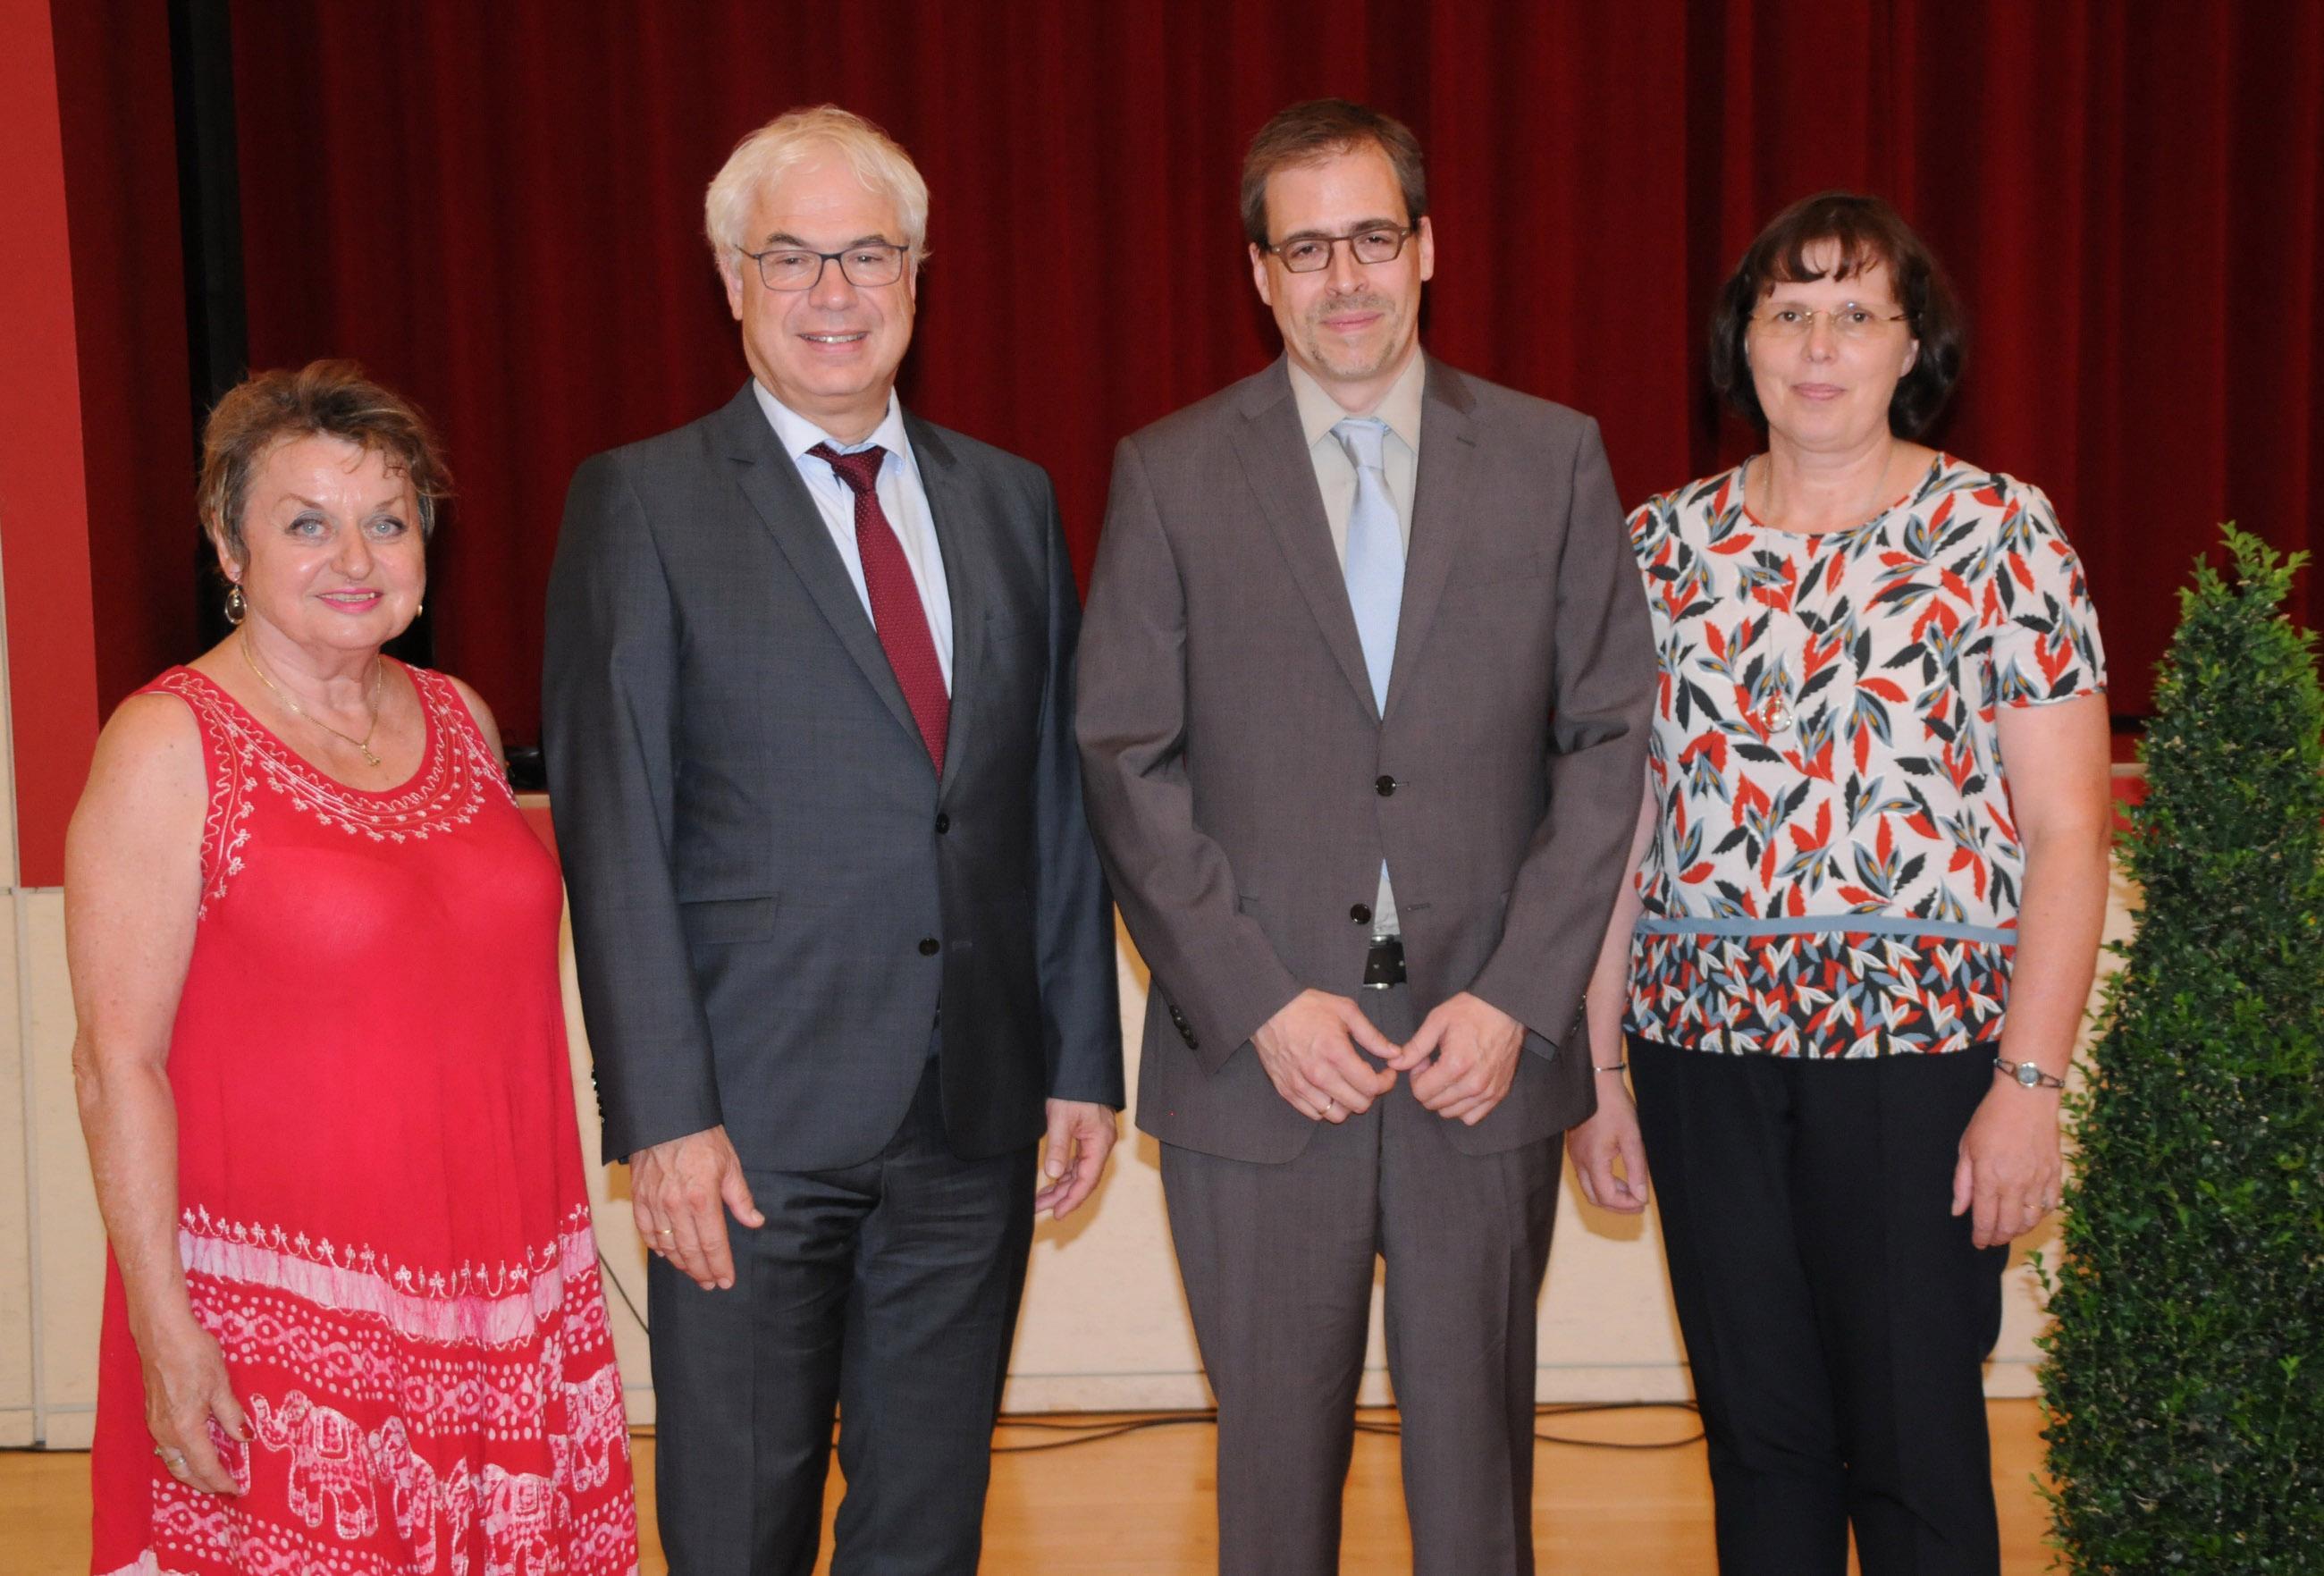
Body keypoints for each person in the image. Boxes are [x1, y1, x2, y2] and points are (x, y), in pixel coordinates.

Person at [1076, 98, 1656, 1576]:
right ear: (1259, 273)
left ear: (1430, 249)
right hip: (1263, 1073)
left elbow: (1606, 748)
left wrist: (1523, 1001)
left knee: (1479, 1505)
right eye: (1308, 245)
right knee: (1273, 1501)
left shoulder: (1554, 457)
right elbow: (1125, 756)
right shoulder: (1170, 471)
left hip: (1481, 1059)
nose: (1346, 277)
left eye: (1375, 238)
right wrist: (1260, 1000)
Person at [543, 104, 1122, 1575]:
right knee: (740, 1527)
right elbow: (613, 831)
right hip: (746, 1131)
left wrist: (1076, 1059)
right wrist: (661, 1115)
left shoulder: (1011, 500)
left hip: (972, 1113)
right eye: (791, 257)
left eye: (867, 254)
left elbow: (1048, 806)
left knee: (925, 1532)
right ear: (730, 279)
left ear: (918, 275)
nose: (833, 293)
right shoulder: (645, 504)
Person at [1566, 192, 2113, 1576]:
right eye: (1787, 310)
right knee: (1760, 1450)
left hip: (1926, 1068)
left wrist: (2029, 1087)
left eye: (1855, 313)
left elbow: (2066, 831)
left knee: (1919, 1457)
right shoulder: (1657, 549)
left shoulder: (2003, 535)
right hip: (1702, 1061)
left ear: (1909, 344)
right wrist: (1597, 1067)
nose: (1818, 344)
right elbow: (1615, 827)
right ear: (1742, 342)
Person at [69, 361, 638, 1576]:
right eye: (306, 523)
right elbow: (116, 1063)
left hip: (499, 1315)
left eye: (387, 520)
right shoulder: (170, 742)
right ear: (230, 545)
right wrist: (166, 1329)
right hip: (279, 1329)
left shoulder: (463, 721)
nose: (357, 557)